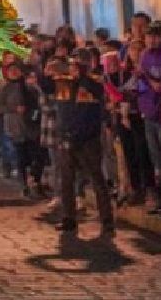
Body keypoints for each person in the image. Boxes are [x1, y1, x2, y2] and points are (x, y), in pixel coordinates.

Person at [42, 49, 114, 236]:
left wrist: (80, 76)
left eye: (80, 64)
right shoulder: (63, 81)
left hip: (88, 138)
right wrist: (47, 71)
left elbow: (97, 91)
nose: (75, 67)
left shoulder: (95, 81)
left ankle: (107, 221)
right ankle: (69, 218)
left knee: (97, 179)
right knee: (66, 179)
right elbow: (46, 86)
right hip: (66, 135)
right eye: (74, 64)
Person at [137, 21, 161, 214]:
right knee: (157, 161)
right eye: (149, 36)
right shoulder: (144, 55)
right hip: (148, 113)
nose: (151, 40)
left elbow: (160, 86)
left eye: (155, 36)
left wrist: (146, 76)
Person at [0, 61, 44, 198]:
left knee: (35, 156)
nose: (14, 73)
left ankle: (35, 181)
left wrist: (33, 117)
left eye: (16, 70)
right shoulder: (6, 88)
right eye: (11, 70)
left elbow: (38, 106)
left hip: (31, 128)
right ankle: (24, 184)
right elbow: (0, 106)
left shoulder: (30, 88)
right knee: (20, 158)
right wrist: (14, 109)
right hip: (15, 127)